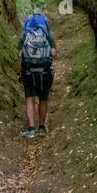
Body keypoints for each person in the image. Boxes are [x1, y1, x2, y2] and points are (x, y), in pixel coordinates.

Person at [18, 10, 56, 138]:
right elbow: (54, 53)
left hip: (28, 72)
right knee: (43, 99)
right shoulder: (47, 34)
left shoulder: (25, 34)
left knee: (30, 99)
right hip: (45, 72)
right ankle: (41, 128)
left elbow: (20, 54)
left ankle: (31, 129)